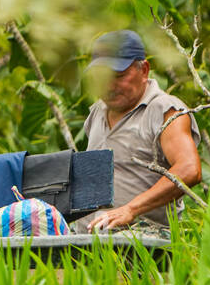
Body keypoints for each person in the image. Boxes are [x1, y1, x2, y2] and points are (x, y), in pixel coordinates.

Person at [79, 30, 201, 233]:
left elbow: (189, 169)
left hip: (144, 246)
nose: (109, 86)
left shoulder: (164, 109)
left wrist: (130, 210)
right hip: (87, 248)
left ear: (144, 70)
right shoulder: (96, 112)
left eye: (119, 76)